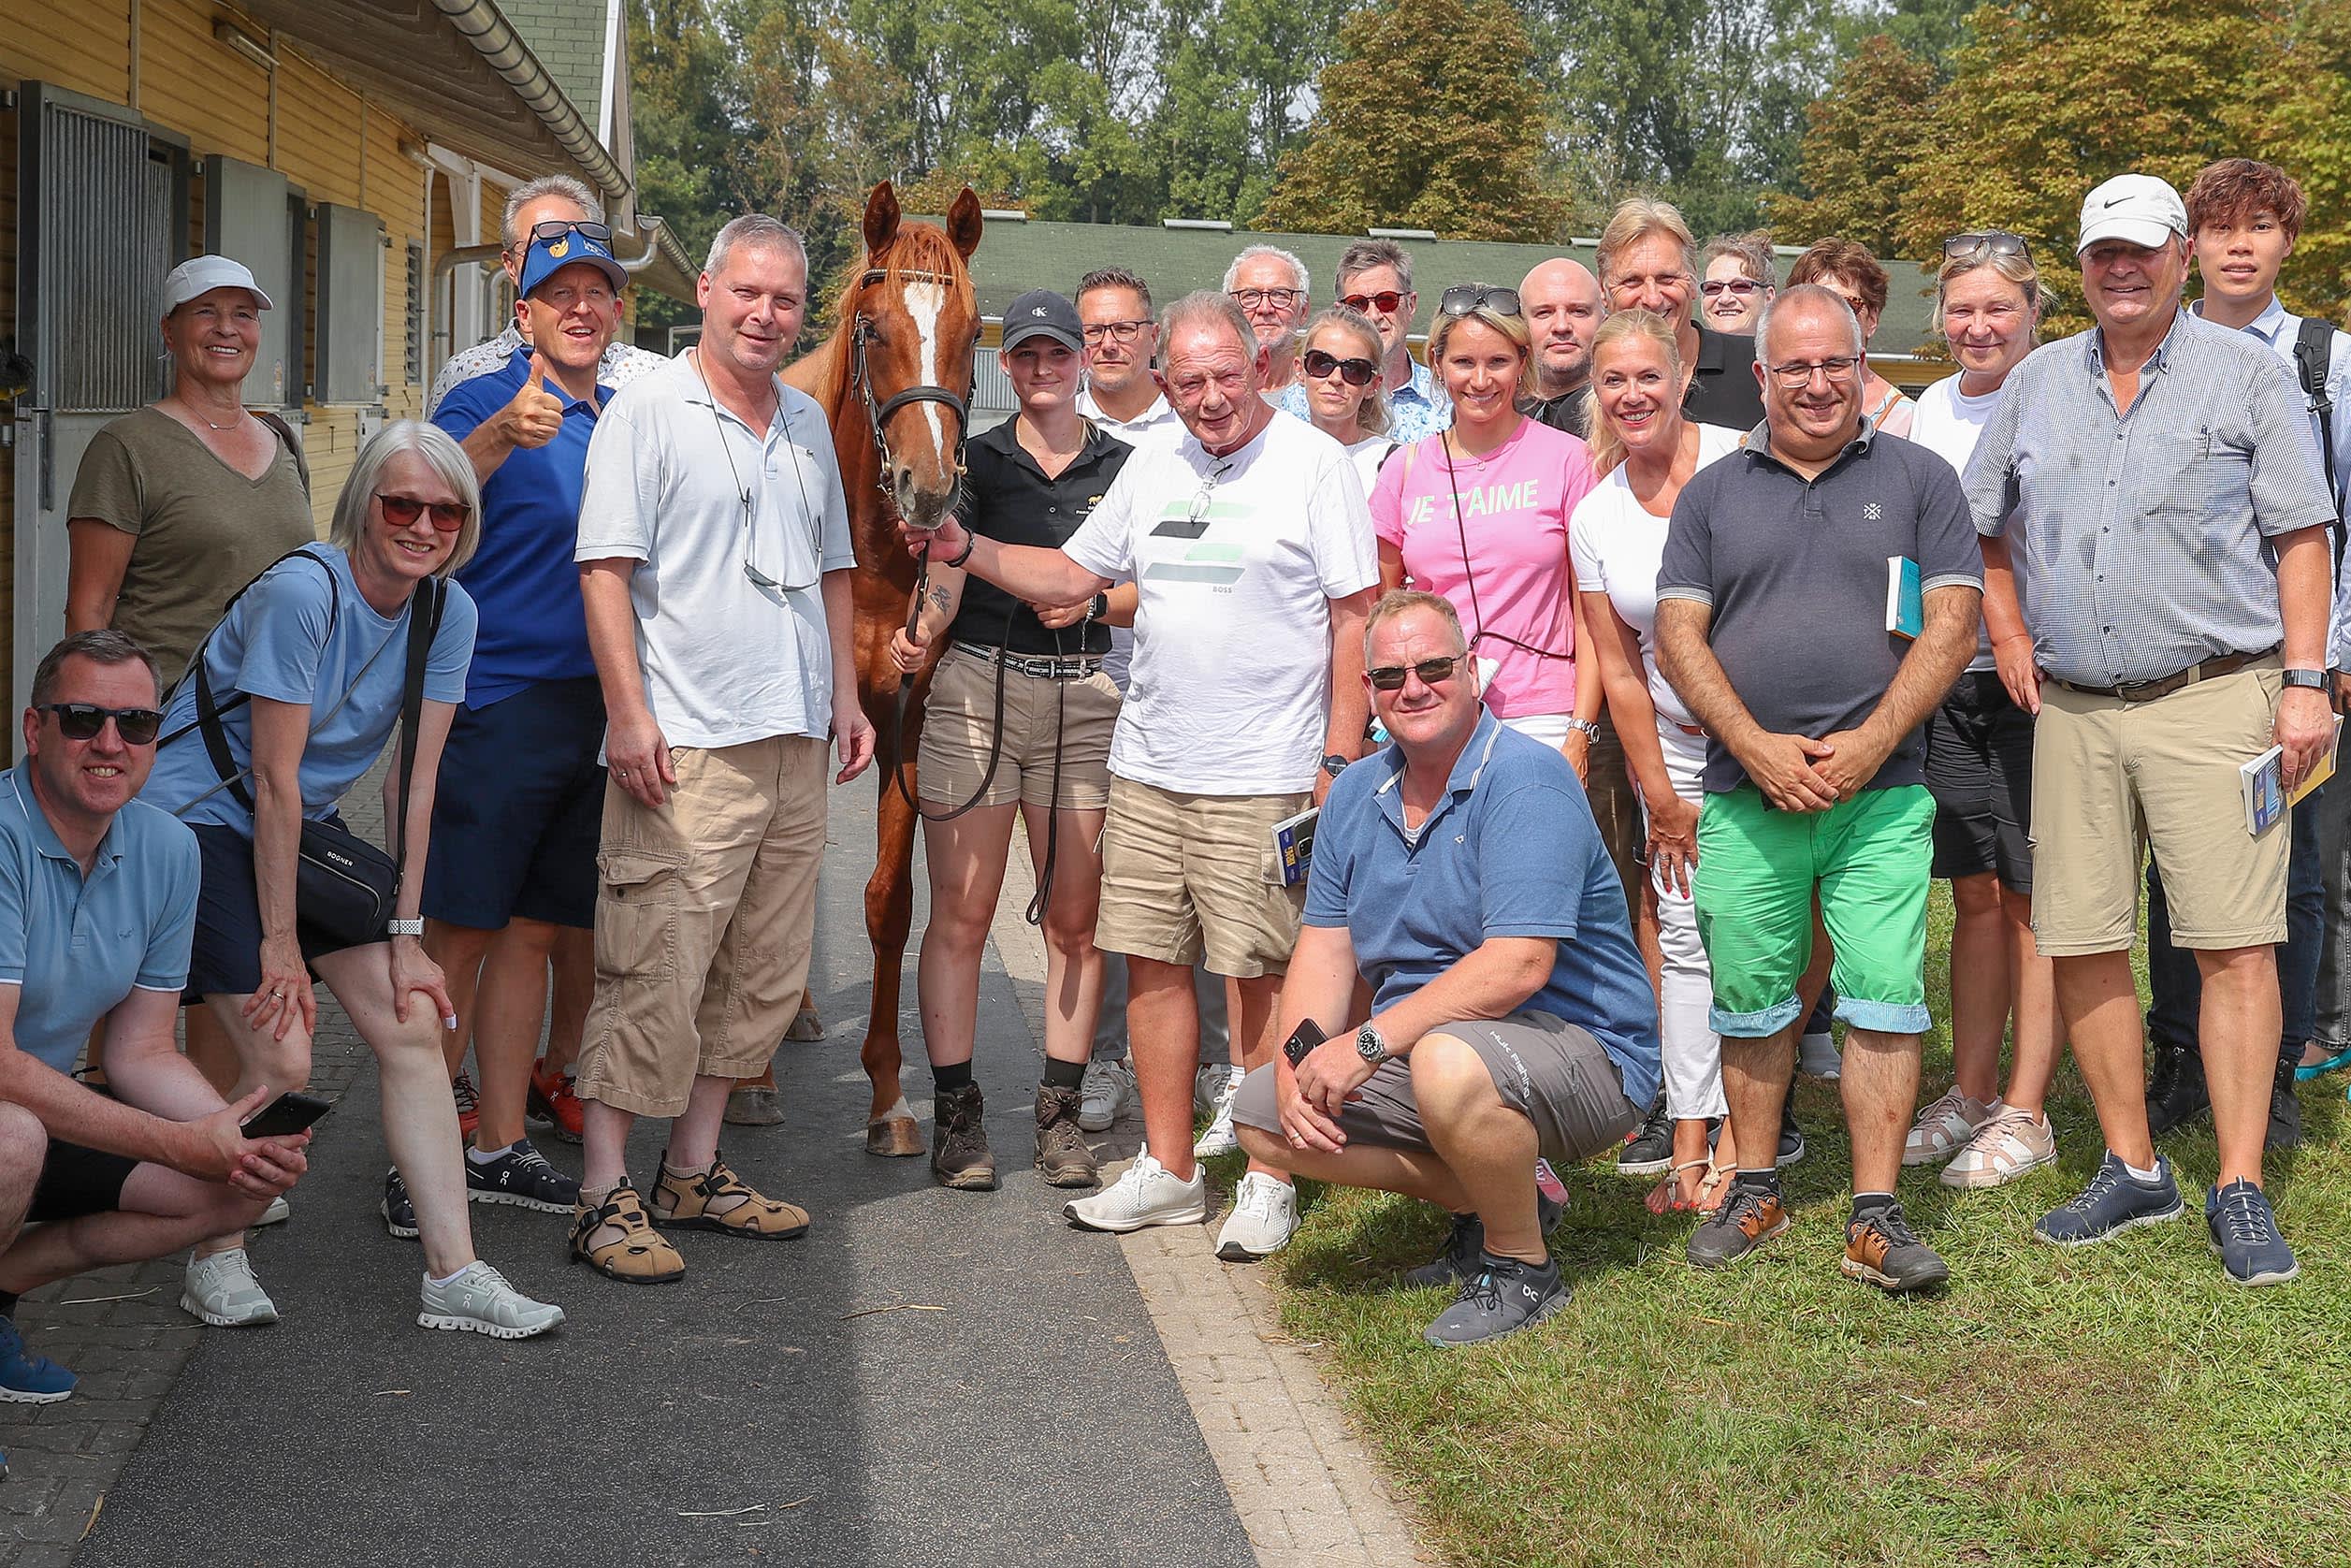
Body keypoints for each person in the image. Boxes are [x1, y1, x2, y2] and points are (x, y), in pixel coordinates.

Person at [900, 292, 1378, 1263]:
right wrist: (963, 548)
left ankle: (1270, 1172)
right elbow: (1071, 578)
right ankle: (1166, 1168)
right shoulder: (1152, 461)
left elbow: (1354, 617)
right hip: (1152, 761)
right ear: (1164, 380)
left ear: (1262, 370)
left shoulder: (1312, 465)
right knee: (1154, 966)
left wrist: (1338, 756)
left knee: (1259, 979)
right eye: (1189, 380)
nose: (1209, 399)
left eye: (1226, 378)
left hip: (1267, 769)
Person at [1962, 173, 2335, 1287]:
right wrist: (2010, 627)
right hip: (2073, 705)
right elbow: (1983, 525)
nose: (2119, 271)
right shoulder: (2034, 381)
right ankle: (2130, 1163)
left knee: (2229, 941)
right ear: (2078, 269)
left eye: (2140, 251)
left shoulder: (2249, 376)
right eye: (2099, 255)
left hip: (2215, 692)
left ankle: (2236, 1181)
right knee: (2077, 935)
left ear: (2176, 258)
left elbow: (2303, 536)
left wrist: (2305, 681)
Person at [140, 421, 566, 1337]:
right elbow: (272, 777)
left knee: (414, 1023)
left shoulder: (449, 611)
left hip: (295, 827)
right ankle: (214, 1252)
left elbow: (411, 781)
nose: (422, 524)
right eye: (400, 502)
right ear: (363, 504)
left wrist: (408, 939)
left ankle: (454, 1274)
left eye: (444, 509)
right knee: (282, 1048)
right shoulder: (305, 591)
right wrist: (283, 945)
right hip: (193, 822)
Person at [1654, 283, 1982, 1293]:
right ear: (1758, 376)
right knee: (1752, 999)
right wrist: (1752, 744)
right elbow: (1675, 632)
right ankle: (1753, 1184)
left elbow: (1951, 624)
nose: (1813, 382)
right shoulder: (1712, 493)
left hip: (1879, 793)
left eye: (1832, 362)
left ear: (1859, 365)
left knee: (1883, 994)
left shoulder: (1921, 477)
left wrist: (1870, 738)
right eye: (1791, 365)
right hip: (1746, 792)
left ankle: (1873, 1215)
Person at [567, 214, 875, 1283]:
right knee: (653, 964)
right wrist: (627, 711)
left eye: (784, 300)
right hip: (686, 741)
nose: (764, 314)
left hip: (791, 739)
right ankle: (602, 1190)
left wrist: (844, 694)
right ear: (703, 289)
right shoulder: (646, 412)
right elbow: (604, 568)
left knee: (758, 972)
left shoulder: (800, 419)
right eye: (747, 292)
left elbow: (834, 568)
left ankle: (691, 1174)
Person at [1228, 591, 1659, 1345]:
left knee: (1445, 1060)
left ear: (1472, 672)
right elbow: (1325, 948)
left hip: (1586, 1050)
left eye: (1433, 667)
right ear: (1368, 692)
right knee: (1264, 1112)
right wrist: (1299, 1058)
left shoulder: (1527, 781)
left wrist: (1364, 1045)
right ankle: (1496, 1197)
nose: (1413, 688)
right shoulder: (1356, 793)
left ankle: (1520, 1264)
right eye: (1390, 676)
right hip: (1437, 1046)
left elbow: (1518, 966)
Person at [0, 632, 310, 1386]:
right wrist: (179, 1143)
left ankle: (0, 1297)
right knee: (13, 1139)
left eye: (135, 724)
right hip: (12, 1112)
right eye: (81, 719)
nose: (110, 743)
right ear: (35, 730)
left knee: (230, 1194)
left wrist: (231, 1138)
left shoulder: (169, 847)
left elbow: (139, 1048)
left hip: (40, 1111)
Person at [886, 290, 1133, 1192]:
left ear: (1081, 362)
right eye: (1024, 356)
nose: (1041, 371)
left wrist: (1097, 601)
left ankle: (1060, 1118)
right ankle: (958, 1114)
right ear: (1007, 363)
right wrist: (924, 627)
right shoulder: (976, 459)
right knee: (963, 911)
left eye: (1055, 355)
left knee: (1074, 919)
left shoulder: (1127, 465)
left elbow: (1143, 586)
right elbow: (945, 571)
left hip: (1085, 697)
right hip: (978, 690)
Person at [419, 226, 632, 1221]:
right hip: (498, 698)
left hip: (592, 713)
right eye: (561, 294)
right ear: (525, 312)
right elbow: (415, 501)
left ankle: (498, 1143)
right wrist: (501, 433)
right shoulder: (482, 400)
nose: (581, 308)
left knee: (532, 938)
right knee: (457, 935)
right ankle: (414, 1159)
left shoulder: (627, 418)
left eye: (597, 293)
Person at [2156, 161, 2351, 1127]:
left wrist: (2331, 653)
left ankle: (2271, 1066)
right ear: (2188, 244)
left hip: (2297, 660)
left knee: (2297, 863)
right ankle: (2181, 1052)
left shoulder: (2323, 360)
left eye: (2262, 226)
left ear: (2286, 242)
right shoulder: (2157, 348)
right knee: (2177, 858)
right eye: (2221, 227)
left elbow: (2343, 515)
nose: (2240, 244)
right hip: (2188, 661)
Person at [1569, 312, 1748, 1213]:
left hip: (1772, 747)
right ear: (1596, 395)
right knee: (1682, 944)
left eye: (1648, 376)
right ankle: (1688, 1135)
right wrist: (1658, 793)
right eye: (1613, 382)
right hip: (1674, 752)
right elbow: (1618, 667)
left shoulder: (1741, 459)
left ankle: (1746, 1131)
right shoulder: (1595, 514)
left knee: (1772, 937)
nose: (1632, 395)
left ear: (1681, 377)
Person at [1899, 232, 2063, 1187]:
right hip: (1948, 678)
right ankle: (1968, 1087)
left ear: (2031, 310)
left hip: (2037, 677)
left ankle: (2026, 1107)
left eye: (1996, 306)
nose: (1976, 324)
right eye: (1960, 308)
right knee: (1970, 894)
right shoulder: (1928, 405)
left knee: (2033, 895)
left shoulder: (2058, 388)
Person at [1067, 267, 1226, 1138]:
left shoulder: (1194, 425)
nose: (1107, 344)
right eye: (1093, 331)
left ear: (1152, 342)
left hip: (1177, 683)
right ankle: (1100, 1057)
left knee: (1202, 889)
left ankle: (1206, 1059)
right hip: (1088, 684)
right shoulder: (1056, 423)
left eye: (1124, 328)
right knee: (1106, 890)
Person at [1369, 286, 1602, 780]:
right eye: (1462, 362)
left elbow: (1593, 616)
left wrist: (1580, 730)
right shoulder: (1404, 470)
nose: (1480, 380)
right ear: (1437, 364)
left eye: (1497, 361)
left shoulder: (1569, 460)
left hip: (1543, 714)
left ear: (1522, 363)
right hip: (1434, 712)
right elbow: (1381, 611)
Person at [66, 256, 316, 686]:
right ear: (169, 330)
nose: (227, 328)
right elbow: (91, 608)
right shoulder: (127, 447)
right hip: (171, 719)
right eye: (206, 312)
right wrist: (100, 718)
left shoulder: (282, 441)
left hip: (279, 712)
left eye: (243, 314)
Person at [428, 174, 665, 414]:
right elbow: (442, 452)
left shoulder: (647, 375)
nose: (561, 252)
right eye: (540, 244)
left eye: (578, 239)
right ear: (510, 265)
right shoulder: (467, 375)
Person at [1595, 198, 1763, 430]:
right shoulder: (1579, 408)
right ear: (1603, 290)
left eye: (1667, 279)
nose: (1652, 299)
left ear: (1693, 280)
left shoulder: (1759, 369)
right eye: (1632, 281)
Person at [1284, 240, 1451, 443]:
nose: (1373, 315)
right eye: (1357, 304)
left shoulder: (1446, 401)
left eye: (1386, 300)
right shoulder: (1298, 400)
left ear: (1411, 304)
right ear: (1340, 311)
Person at [1786, 240, 1915, 436]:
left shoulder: (1909, 422)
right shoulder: (1779, 407)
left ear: (1872, 319)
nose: (1830, 319)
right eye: (1815, 305)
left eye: (1846, 306)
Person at [1295, 305, 1396, 494]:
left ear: (1373, 385)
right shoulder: (1277, 453)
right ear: (1300, 370)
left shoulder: (1392, 463)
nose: (1335, 379)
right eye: (1320, 363)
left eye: (1355, 370)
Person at [1518, 258, 1604, 438]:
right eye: (1544, 313)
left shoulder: (1623, 415)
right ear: (1520, 325)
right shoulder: (1495, 413)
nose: (1562, 326)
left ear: (1603, 322)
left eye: (1578, 311)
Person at [1226, 244, 1311, 397]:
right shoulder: (1209, 394)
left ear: (1303, 310)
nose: (1265, 308)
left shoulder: (1324, 395)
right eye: (1250, 295)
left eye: (1280, 294)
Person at [1700, 233, 1777, 336]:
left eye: (1740, 286)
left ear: (1768, 298)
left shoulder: (1792, 351)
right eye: (1713, 288)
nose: (1725, 299)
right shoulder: (1679, 351)